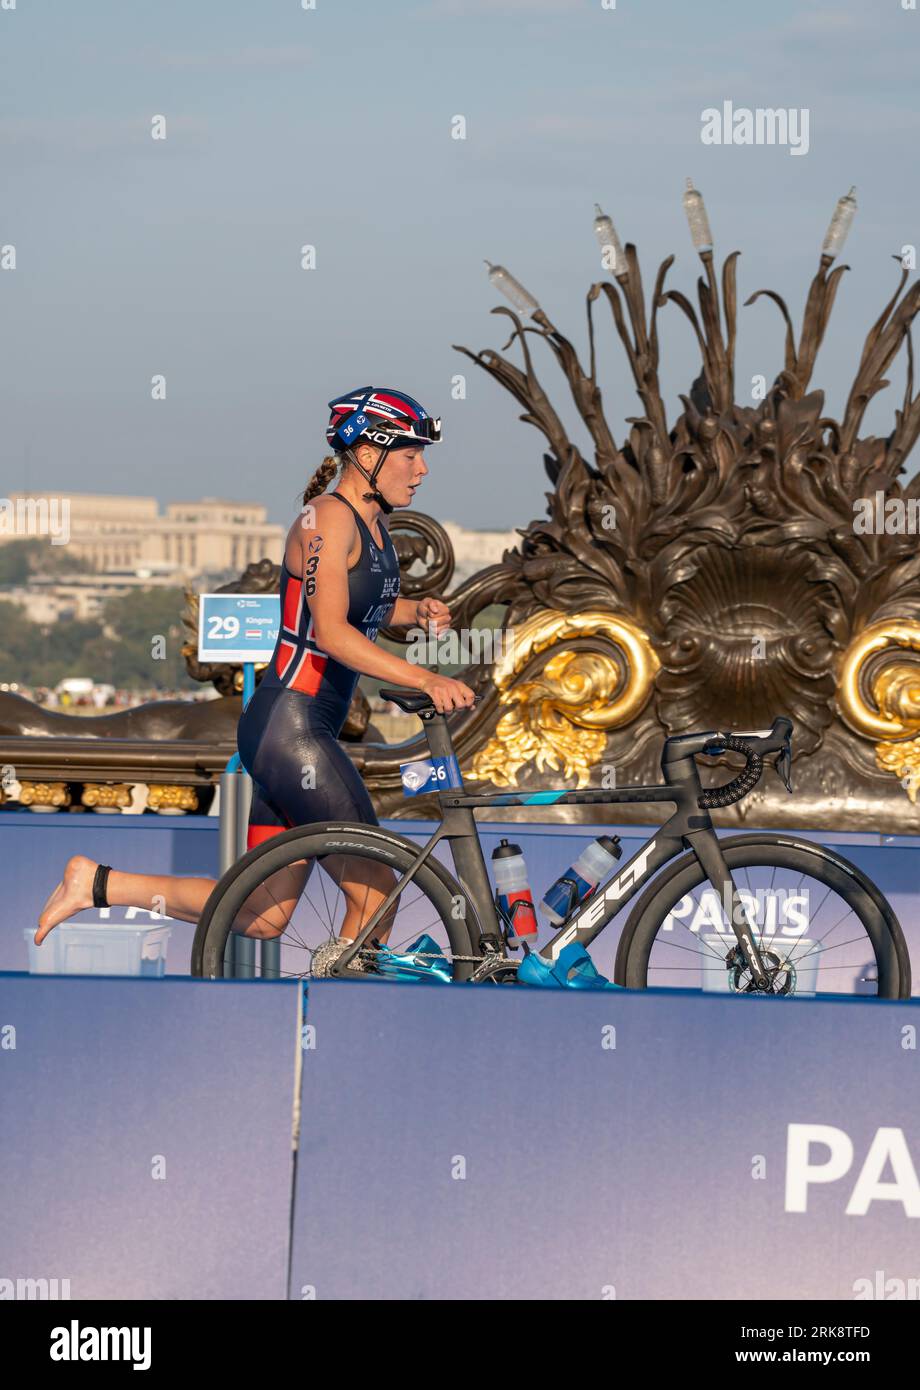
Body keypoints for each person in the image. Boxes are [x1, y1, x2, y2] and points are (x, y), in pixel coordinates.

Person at [36, 387, 475, 962]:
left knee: (261, 914)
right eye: (409, 453)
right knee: (377, 894)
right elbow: (330, 634)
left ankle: (95, 883)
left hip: (291, 736)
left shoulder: (371, 524)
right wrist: (424, 679)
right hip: (291, 733)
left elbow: (358, 608)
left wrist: (413, 612)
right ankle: (336, 1022)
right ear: (367, 454)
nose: (422, 468)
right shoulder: (327, 521)